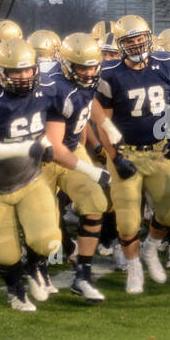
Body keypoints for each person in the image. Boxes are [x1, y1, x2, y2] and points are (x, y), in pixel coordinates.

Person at [0, 38, 109, 311]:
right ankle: (15, 290)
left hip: (30, 178)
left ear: (36, 69)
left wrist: (80, 161)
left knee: (49, 239)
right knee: (6, 253)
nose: (23, 77)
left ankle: (34, 268)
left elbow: (57, 131)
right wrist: (25, 147)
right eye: (14, 72)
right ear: (0, 72)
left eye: (27, 70)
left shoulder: (48, 90)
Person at [91, 14, 170, 294]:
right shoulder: (110, 75)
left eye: (139, 38)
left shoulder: (167, 65)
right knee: (127, 221)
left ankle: (151, 248)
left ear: (149, 36)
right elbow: (105, 123)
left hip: (159, 151)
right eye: (129, 41)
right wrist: (115, 157)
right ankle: (134, 268)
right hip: (127, 152)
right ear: (120, 46)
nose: (136, 45)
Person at [40, 33, 109, 301]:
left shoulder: (86, 82)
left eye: (93, 66)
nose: (89, 72)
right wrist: (91, 170)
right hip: (44, 156)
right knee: (43, 222)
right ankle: (38, 268)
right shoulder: (55, 86)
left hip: (70, 148)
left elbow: (85, 114)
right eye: (82, 67)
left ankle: (83, 276)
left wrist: (105, 139)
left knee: (94, 204)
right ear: (67, 64)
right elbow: (54, 146)